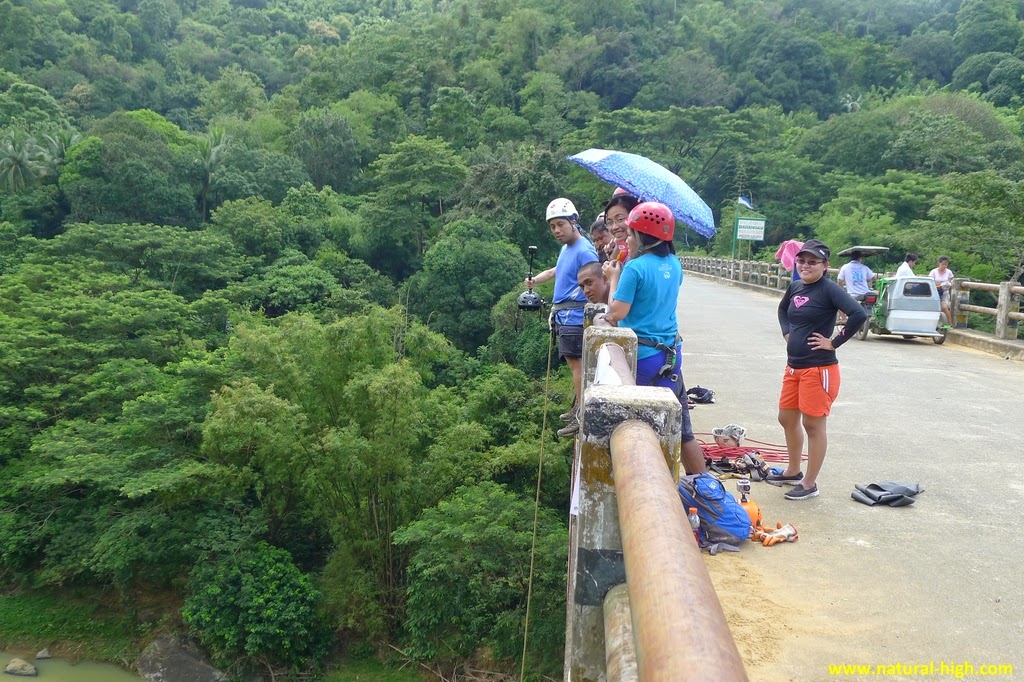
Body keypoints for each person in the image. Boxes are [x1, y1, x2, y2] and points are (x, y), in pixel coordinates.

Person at [598, 201, 706, 474]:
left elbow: (616, 313)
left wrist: (613, 278)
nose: (627, 237)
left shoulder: (635, 269)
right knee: (683, 430)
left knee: (641, 427)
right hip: (671, 355)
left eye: (631, 233)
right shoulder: (674, 263)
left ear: (642, 237)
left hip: (645, 358)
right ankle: (706, 490)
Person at [767, 239, 866, 500]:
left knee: (813, 424)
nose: (805, 266)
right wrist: (787, 332)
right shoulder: (796, 286)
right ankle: (793, 470)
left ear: (825, 265)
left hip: (819, 369)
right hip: (794, 367)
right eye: (801, 261)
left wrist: (833, 342)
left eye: (812, 262)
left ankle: (810, 483)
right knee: (786, 418)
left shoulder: (829, 290)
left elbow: (858, 315)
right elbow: (782, 310)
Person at [524, 198, 599, 438]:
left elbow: (593, 281)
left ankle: (581, 413)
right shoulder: (567, 249)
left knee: (577, 365)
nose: (556, 230)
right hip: (565, 316)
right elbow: (557, 271)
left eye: (560, 224)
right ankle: (577, 407)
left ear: (573, 222)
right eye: (553, 226)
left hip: (575, 315)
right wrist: (536, 280)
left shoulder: (584, 250)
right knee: (573, 364)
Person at [602, 188, 639, 265]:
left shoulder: (643, 255)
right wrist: (612, 259)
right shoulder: (620, 249)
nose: (614, 227)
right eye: (609, 222)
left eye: (620, 219)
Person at [929, 256, 955, 327]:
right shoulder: (933, 272)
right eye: (943, 264)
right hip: (935, 293)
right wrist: (940, 284)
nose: (944, 266)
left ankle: (949, 324)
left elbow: (950, 281)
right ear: (939, 263)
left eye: (946, 264)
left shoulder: (949, 272)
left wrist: (947, 286)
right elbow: (930, 282)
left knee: (944, 307)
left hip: (944, 293)